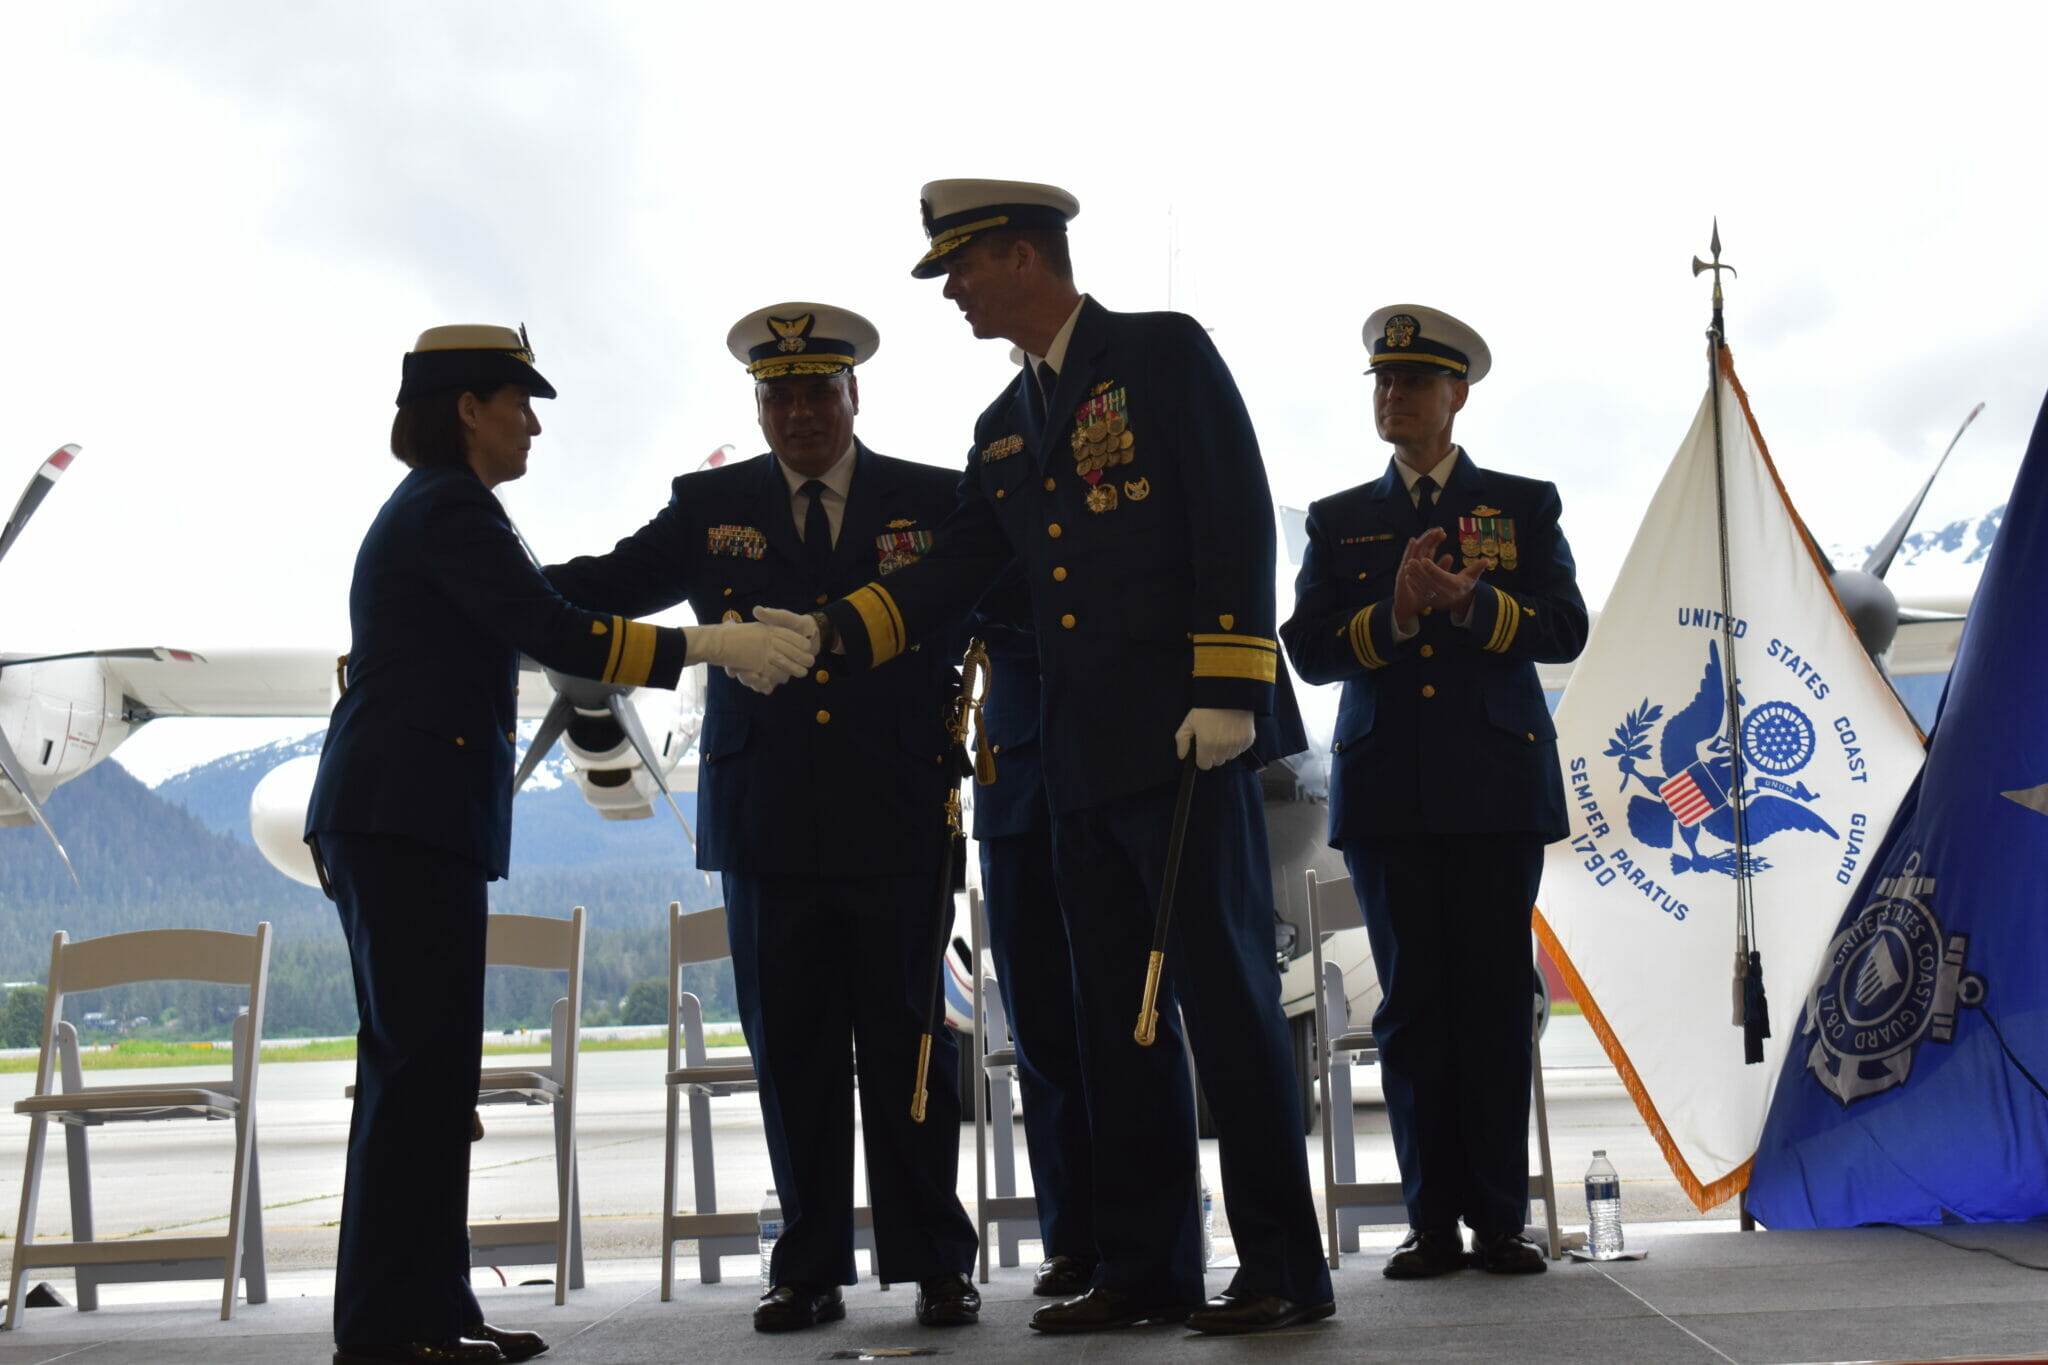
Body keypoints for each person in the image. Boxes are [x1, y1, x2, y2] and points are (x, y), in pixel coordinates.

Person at [803, 181, 1333, 1335]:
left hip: (1190, 742)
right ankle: (1147, 1269)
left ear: (1021, 256)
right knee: (1115, 1021)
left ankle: (1285, 1268)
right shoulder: (1002, 425)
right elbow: (959, 574)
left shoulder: (1159, 357)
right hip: (1079, 764)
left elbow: (1233, 509)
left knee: (1229, 1003)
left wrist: (1231, 684)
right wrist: (831, 629)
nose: (947, 292)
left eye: (959, 268)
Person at [308, 325, 813, 1365]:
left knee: (428, 1073)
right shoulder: (449, 508)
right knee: (416, 1076)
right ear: (466, 409)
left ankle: (429, 1311)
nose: (532, 423)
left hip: (409, 817)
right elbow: (555, 630)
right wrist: (710, 644)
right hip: (405, 818)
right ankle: (390, 1333)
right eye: (518, 402)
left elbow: (552, 604)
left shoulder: (445, 514)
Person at [543, 304, 981, 1334]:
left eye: (815, 391)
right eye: (777, 396)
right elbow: (604, 589)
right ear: (758, 404)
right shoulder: (709, 507)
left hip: (896, 814)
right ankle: (808, 1266)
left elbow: (998, 605)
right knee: (793, 1053)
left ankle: (934, 1263)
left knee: (910, 1047)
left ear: (852, 395)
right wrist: (476, 591)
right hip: (768, 823)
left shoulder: (933, 503)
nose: (797, 414)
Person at [1279, 305, 1588, 1278]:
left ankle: (1498, 1219)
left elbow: (1564, 627)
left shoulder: (1520, 505)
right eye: (1381, 381)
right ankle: (1431, 1223)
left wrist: (1477, 605)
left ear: (1455, 395)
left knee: (1493, 1000)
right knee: (1410, 1005)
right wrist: (1398, 613)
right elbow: (1312, 649)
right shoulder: (1341, 521)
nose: (1391, 396)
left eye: (1411, 382)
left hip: (1494, 788)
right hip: (1389, 794)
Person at [969, 570, 1097, 1297]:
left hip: (1120, 771)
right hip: (1014, 782)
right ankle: (1072, 1239)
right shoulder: (990, 485)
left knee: (1133, 1029)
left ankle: (1153, 1234)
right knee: (1043, 1037)